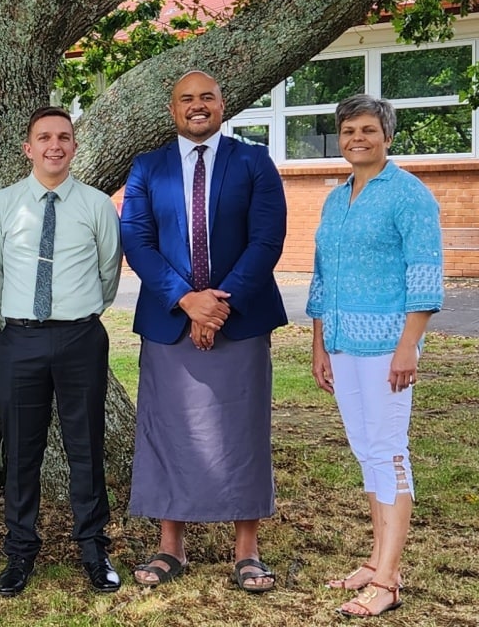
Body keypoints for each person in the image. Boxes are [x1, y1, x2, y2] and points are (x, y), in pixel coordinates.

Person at [120, 70, 287, 593]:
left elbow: (267, 238)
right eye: (186, 99)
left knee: (242, 431)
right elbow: (138, 240)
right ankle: (171, 547)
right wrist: (187, 301)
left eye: (207, 98)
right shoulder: (148, 168)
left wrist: (218, 305)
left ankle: (248, 551)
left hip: (240, 318)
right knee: (169, 430)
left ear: (222, 105)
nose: (197, 106)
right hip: (170, 319)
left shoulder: (254, 162)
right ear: (172, 110)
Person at [307, 94, 443, 618]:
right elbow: (321, 278)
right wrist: (319, 345)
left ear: (387, 136)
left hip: (388, 346)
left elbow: (425, 276)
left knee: (389, 450)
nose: (357, 138)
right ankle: (375, 559)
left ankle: (388, 580)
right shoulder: (336, 198)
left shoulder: (410, 195)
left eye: (367, 129)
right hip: (341, 343)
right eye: (348, 131)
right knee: (366, 449)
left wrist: (409, 347)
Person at [0, 106, 122, 597]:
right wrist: (20, 316)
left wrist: (79, 312)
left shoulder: (97, 205)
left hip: (81, 336)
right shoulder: (1, 205)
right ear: (29, 147)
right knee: (21, 450)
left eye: (64, 137)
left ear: (74, 146)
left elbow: (109, 273)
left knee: (86, 446)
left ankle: (93, 547)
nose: (54, 146)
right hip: (22, 339)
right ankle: (20, 551)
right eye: (44, 137)